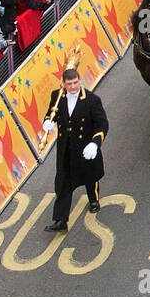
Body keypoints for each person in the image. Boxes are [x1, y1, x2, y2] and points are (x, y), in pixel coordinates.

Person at [41, 66, 109, 233]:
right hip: (66, 148)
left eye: (75, 82)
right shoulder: (57, 97)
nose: (73, 86)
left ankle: (93, 199)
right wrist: (48, 121)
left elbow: (102, 124)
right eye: (69, 83)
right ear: (63, 84)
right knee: (63, 183)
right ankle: (60, 220)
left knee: (89, 176)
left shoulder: (92, 100)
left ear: (80, 81)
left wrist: (95, 143)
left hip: (85, 147)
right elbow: (52, 113)